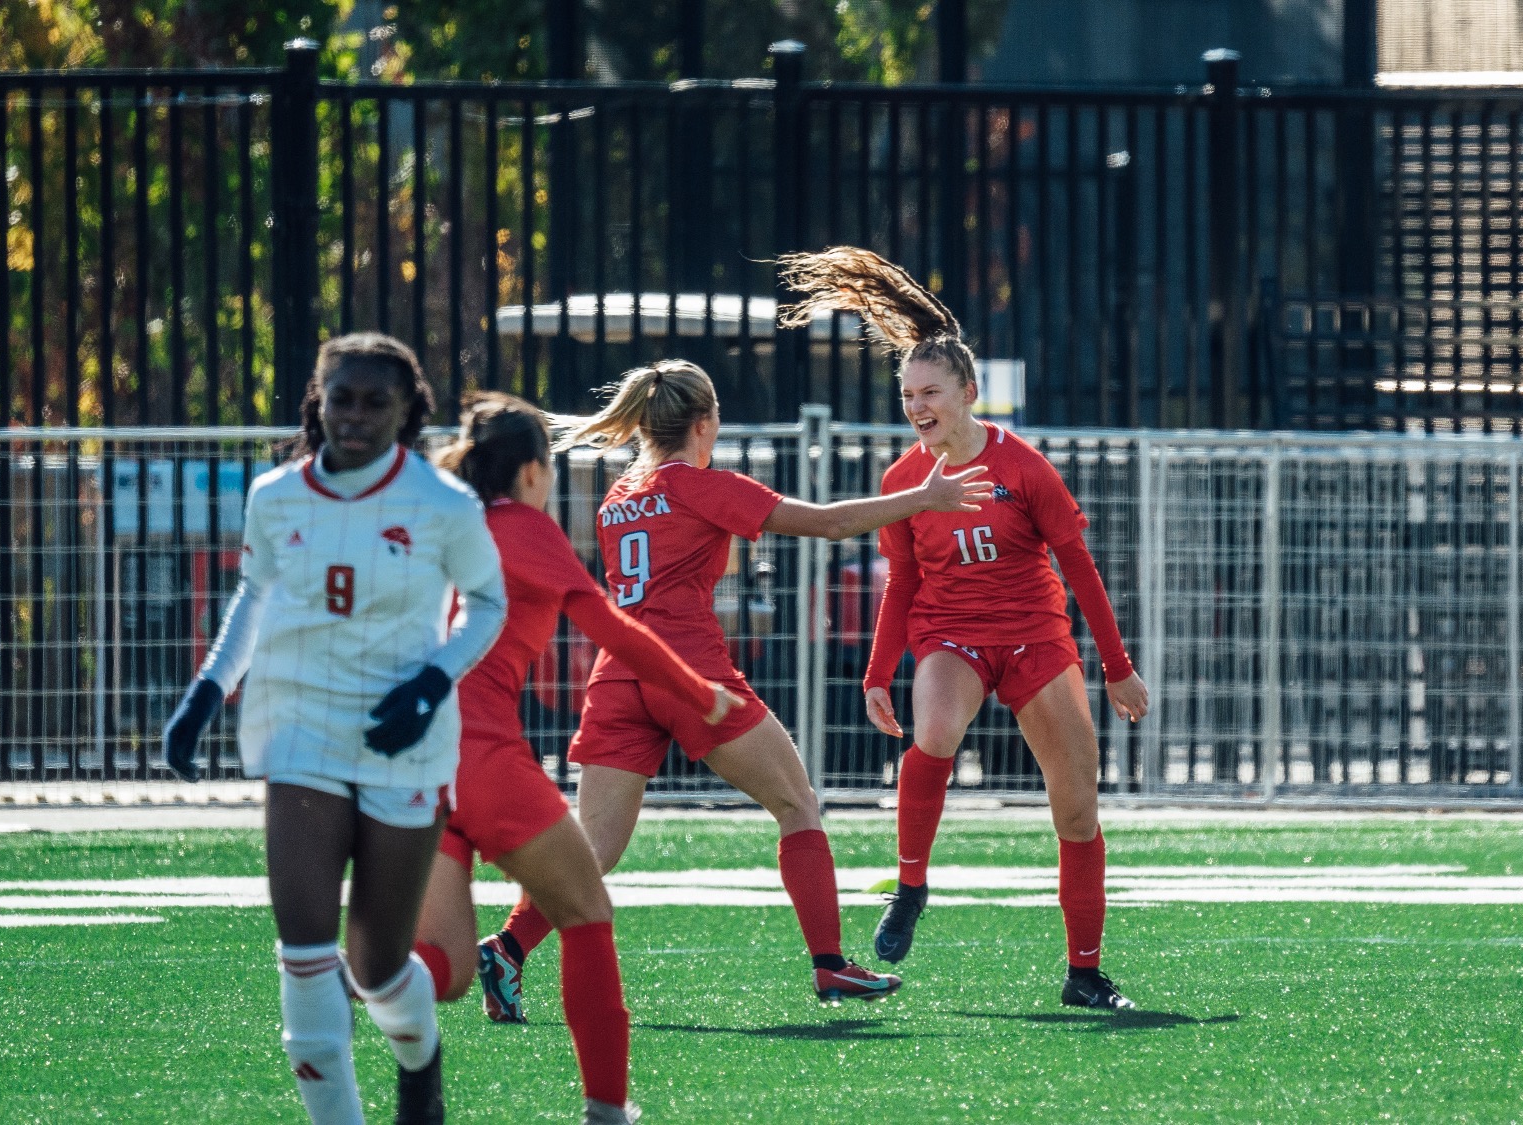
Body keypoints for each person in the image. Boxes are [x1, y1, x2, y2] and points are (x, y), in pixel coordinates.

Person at [476, 358, 993, 1013]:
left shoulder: (619, 497)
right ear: (703, 422)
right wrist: (922, 497)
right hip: (690, 673)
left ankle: (508, 947)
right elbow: (829, 523)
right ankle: (830, 965)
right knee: (797, 804)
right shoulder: (703, 485)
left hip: (619, 677)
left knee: (594, 847)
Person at [777, 246, 1151, 1010]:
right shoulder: (902, 481)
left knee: (1076, 806)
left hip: (1035, 636)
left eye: (930, 393)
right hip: (951, 634)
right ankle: (911, 885)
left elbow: (1079, 568)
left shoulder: (1025, 469)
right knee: (936, 731)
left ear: (969, 394)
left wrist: (1117, 666)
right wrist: (878, 672)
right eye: (907, 395)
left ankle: (1084, 972)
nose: (917, 407)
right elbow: (903, 583)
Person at [159, 332, 506, 1125]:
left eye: (375, 402)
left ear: (406, 411)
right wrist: (208, 690)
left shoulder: (443, 504)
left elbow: (488, 605)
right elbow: (254, 594)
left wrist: (431, 683)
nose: (355, 416)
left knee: (377, 969)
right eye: (340, 398)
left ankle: (419, 1058)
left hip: (402, 742)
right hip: (300, 730)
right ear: (318, 403)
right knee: (307, 953)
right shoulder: (275, 495)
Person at [412, 391, 740, 1125]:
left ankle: (345, 978)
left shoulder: (449, 528)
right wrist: (700, 692)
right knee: (586, 909)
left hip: (417, 762)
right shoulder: (526, 528)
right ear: (533, 471)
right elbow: (615, 631)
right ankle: (606, 1110)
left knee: (448, 968)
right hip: (481, 755)